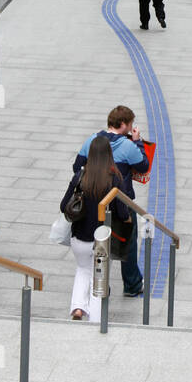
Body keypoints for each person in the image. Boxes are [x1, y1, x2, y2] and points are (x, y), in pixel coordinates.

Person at [73, 107, 149, 298]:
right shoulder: (128, 146)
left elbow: (77, 167)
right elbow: (143, 165)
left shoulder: (92, 140)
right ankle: (132, 285)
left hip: (95, 202)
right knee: (127, 242)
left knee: (98, 242)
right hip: (121, 202)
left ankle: (100, 285)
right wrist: (138, 141)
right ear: (123, 124)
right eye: (130, 124)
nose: (131, 127)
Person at [61, 135, 131, 320]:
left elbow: (63, 206)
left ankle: (77, 307)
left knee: (83, 270)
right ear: (109, 154)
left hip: (79, 238)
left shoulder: (80, 176)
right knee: (99, 278)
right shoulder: (114, 179)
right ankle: (96, 318)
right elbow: (123, 214)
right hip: (101, 240)